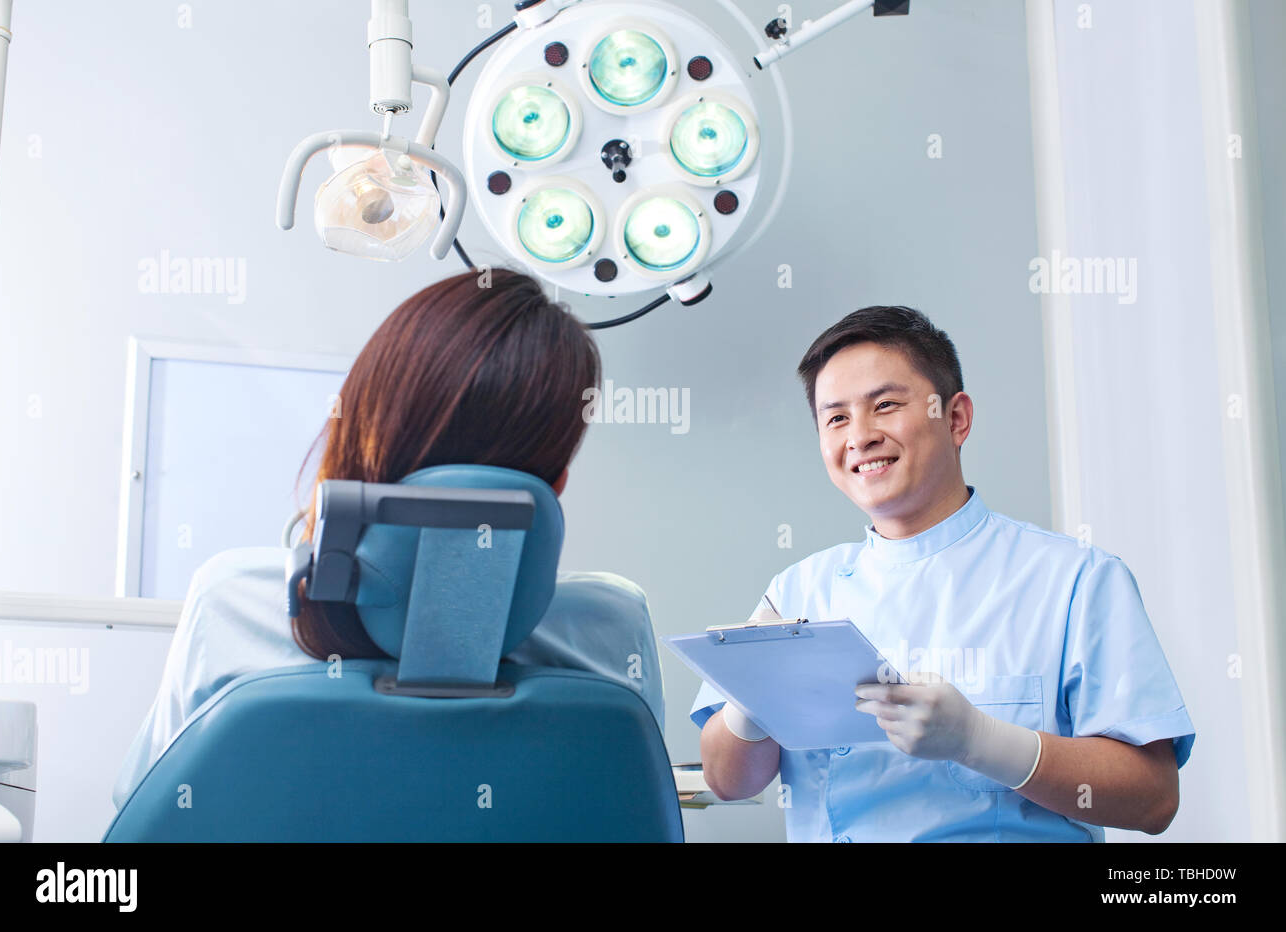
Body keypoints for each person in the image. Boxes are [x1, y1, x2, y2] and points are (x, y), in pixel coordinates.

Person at [113, 268, 663, 809]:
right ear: (557, 482)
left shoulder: (233, 602)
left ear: (356, 438)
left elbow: (138, 809)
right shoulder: (612, 627)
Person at [691, 305, 1194, 842]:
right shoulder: (796, 590)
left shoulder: (1075, 581)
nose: (859, 437)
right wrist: (753, 703)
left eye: (884, 406)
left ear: (956, 418)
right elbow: (727, 780)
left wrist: (981, 741)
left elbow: (1153, 799)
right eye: (836, 418)